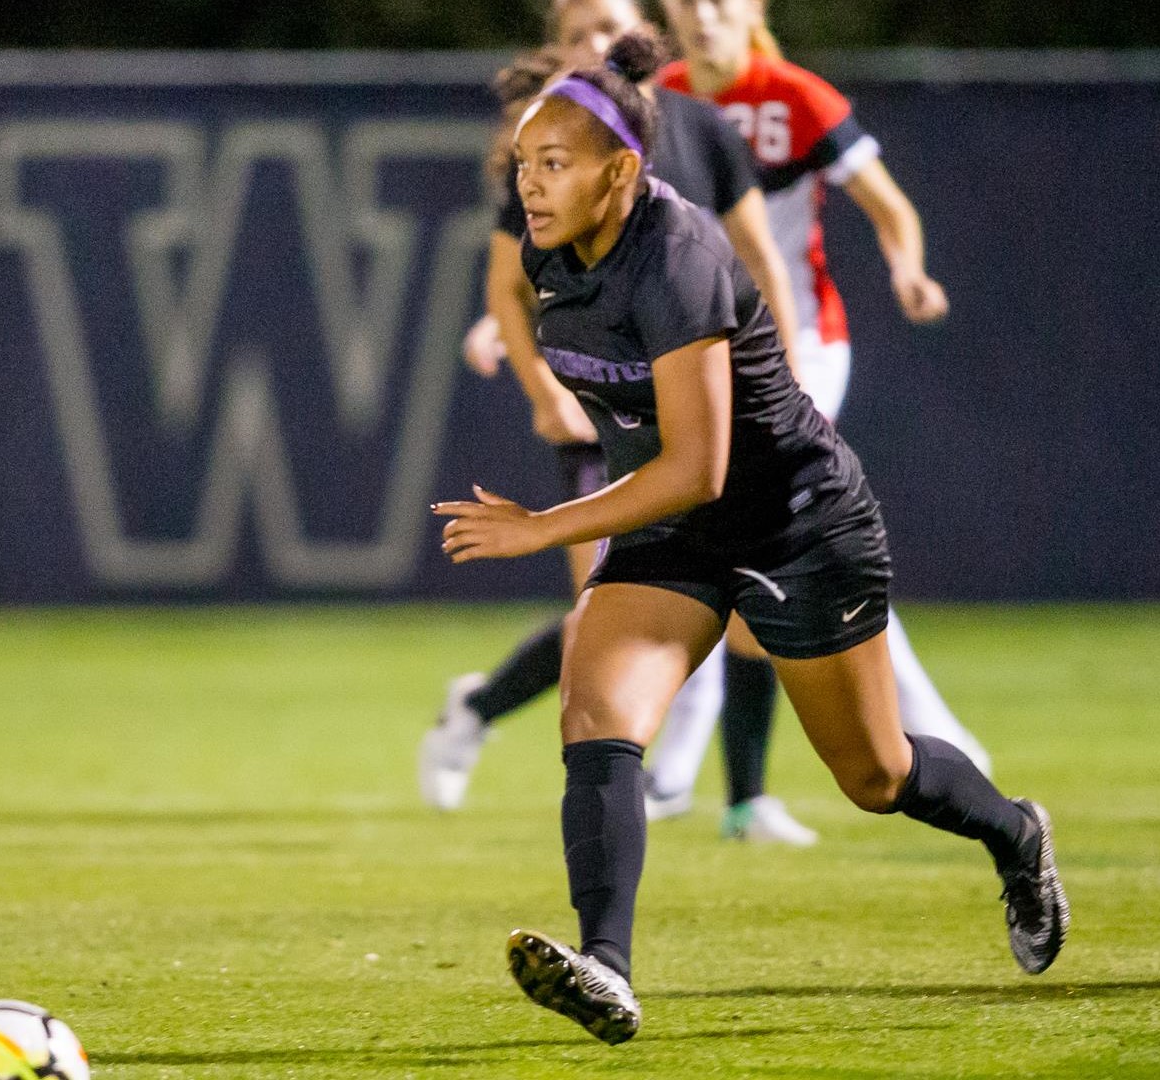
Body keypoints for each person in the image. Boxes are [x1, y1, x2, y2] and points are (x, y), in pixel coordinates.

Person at [432, 32, 1067, 1044]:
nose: (531, 187)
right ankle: (607, 967)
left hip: (793, 522)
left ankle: (1013, 830)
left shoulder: (676, 256)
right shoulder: (551, 245)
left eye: (554, 164)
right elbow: (602, 399)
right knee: (594, 712)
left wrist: (543, 528)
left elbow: (701, 468)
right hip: (678, 531)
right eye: (522, 165)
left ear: (623, 170)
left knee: (874, 776)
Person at [421, 0, 819, 845]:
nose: (596, 46)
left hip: (708, 414)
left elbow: (759, 261)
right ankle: (534, 732)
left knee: (746, 612)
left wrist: (789, 371)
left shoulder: (700, 132)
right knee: (606, 617)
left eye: (609, 29)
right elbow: (511, 286)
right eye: (578, 34)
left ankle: (743, 798)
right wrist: (544, 388)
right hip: (607, 422)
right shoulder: (546, 152)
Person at [647, 0, 995, 782]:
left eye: (719, 1)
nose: (702, 16)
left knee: (737, 530)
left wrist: (908, 269)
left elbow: (889, 205)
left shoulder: (798, 98)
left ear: (753, 10)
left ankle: (675, 768)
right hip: (707, 349)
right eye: (686, 1)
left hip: (802, 347)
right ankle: (695, 772)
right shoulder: (662, 97)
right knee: (762, 540)